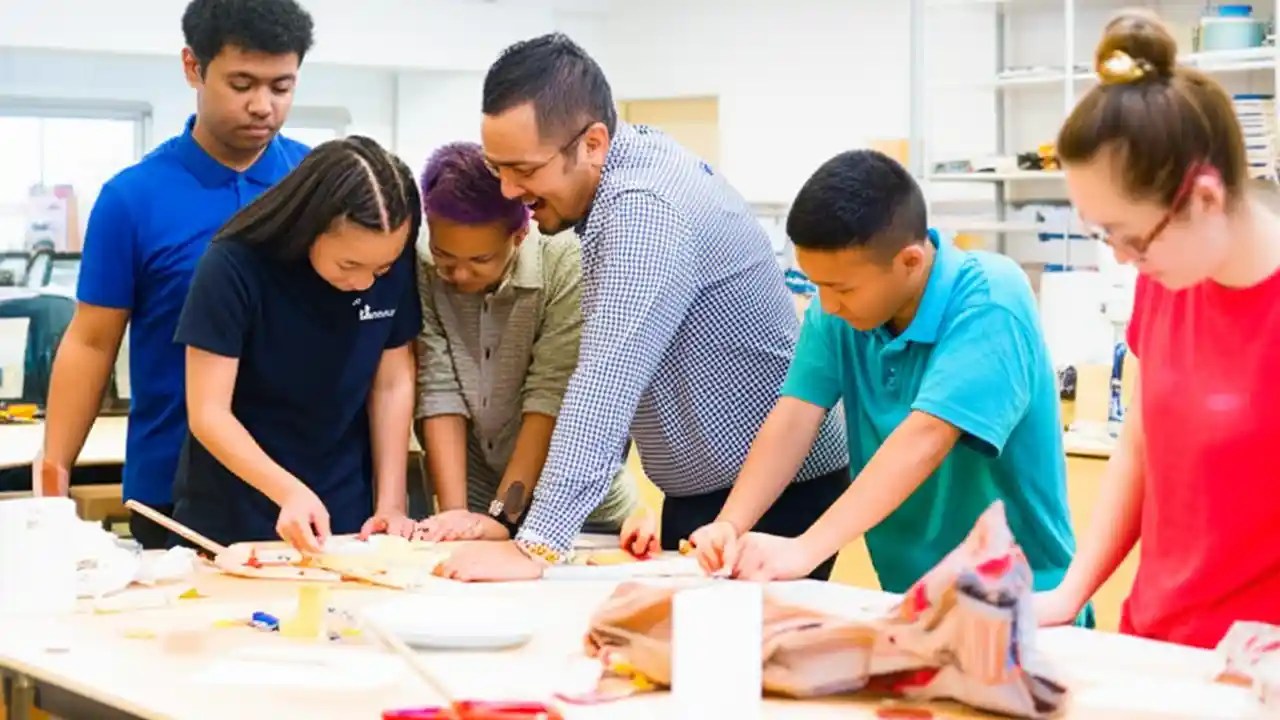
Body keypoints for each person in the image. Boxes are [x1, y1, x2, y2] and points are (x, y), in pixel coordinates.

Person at [436, 33, 849, 582]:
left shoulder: (644, 210)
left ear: (593, 142)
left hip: (774, 498)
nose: (510, 190)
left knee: (731, 661)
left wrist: (534, 546)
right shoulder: (630, 166)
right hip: (703, 492)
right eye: (498, 168)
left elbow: (608, 377)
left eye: (525, 170)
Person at [684, 150, 1082, 604]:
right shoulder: (839, 314)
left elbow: (926, 436)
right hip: (910, 599)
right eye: (818, 286)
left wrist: (803, 551)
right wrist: (730, 524)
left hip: (1024, 603)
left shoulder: (990, 301)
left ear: (910, 261)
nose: (827, 305)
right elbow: (794, 415)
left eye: (842, 289)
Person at [1034, 10, 1280, 649]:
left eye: (1131, 236)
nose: (1119, 257)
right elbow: (1139, 449)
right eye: (1104, 233)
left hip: (1254, 673)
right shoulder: (1166, 280)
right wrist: (1069, 594)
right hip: (1152, 644)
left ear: (1202, 197)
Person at [38, 0, 314, 548]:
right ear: (193, 67)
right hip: (171, 487)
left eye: (281, 87)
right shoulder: (132, 198)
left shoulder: (317, 185)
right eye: (242, 83)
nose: (263, 106)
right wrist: (53, 472)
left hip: (303, 485)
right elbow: (92, 343)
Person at [171, 136, 422, 552]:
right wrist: (287, 491)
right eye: (349, 265)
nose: (364, 283)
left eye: (382, 268)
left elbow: (391, 383)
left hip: (344, 510)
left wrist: (391, 503)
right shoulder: (233, 266)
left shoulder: (389, 261)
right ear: (311, 226)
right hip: (234, 512)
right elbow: (209, 412)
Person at [411, 141, 636, 541]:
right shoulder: (423, 267)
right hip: (479, 502)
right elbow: (438, 389)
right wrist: (457, 517)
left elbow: (548, 398)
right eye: (446, 256)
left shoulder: (565, 260)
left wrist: (505, 517)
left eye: (480, 260)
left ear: (519, 234)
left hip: (579, 511)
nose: (459, 275)